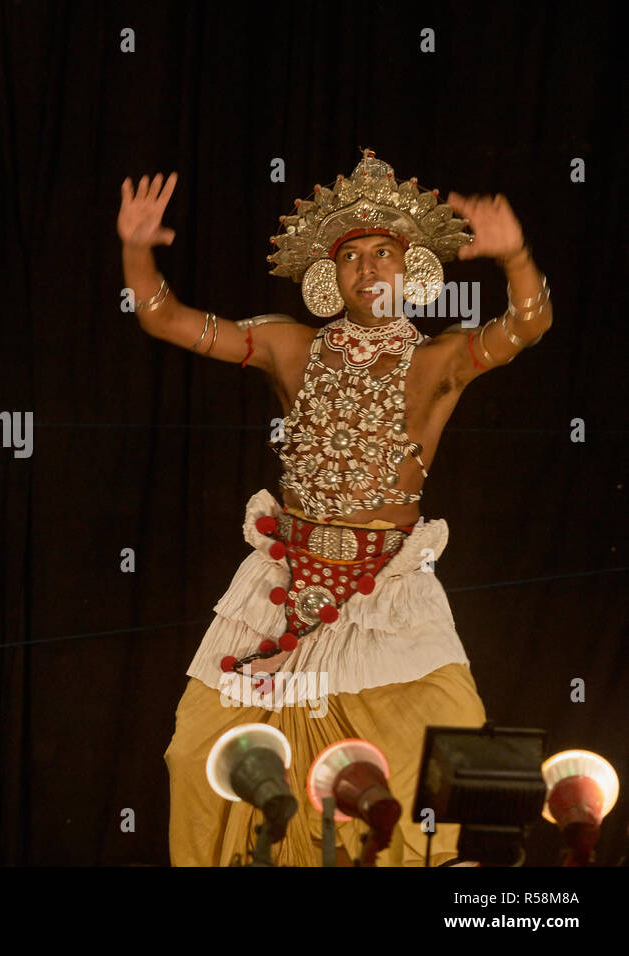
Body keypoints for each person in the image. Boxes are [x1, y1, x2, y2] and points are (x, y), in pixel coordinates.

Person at [116, 152, 552, 866]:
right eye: (352, 256)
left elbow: (529, 323)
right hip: (279, 591)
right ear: (331, 276)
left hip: (386, 595)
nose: (368, 268)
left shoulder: (438, 362)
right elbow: (165, 319)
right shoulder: (293, 345)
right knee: (197, 758)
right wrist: (136, 249)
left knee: (448, 758)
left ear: (409, 272)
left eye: (384, 252)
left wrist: (517, 257)